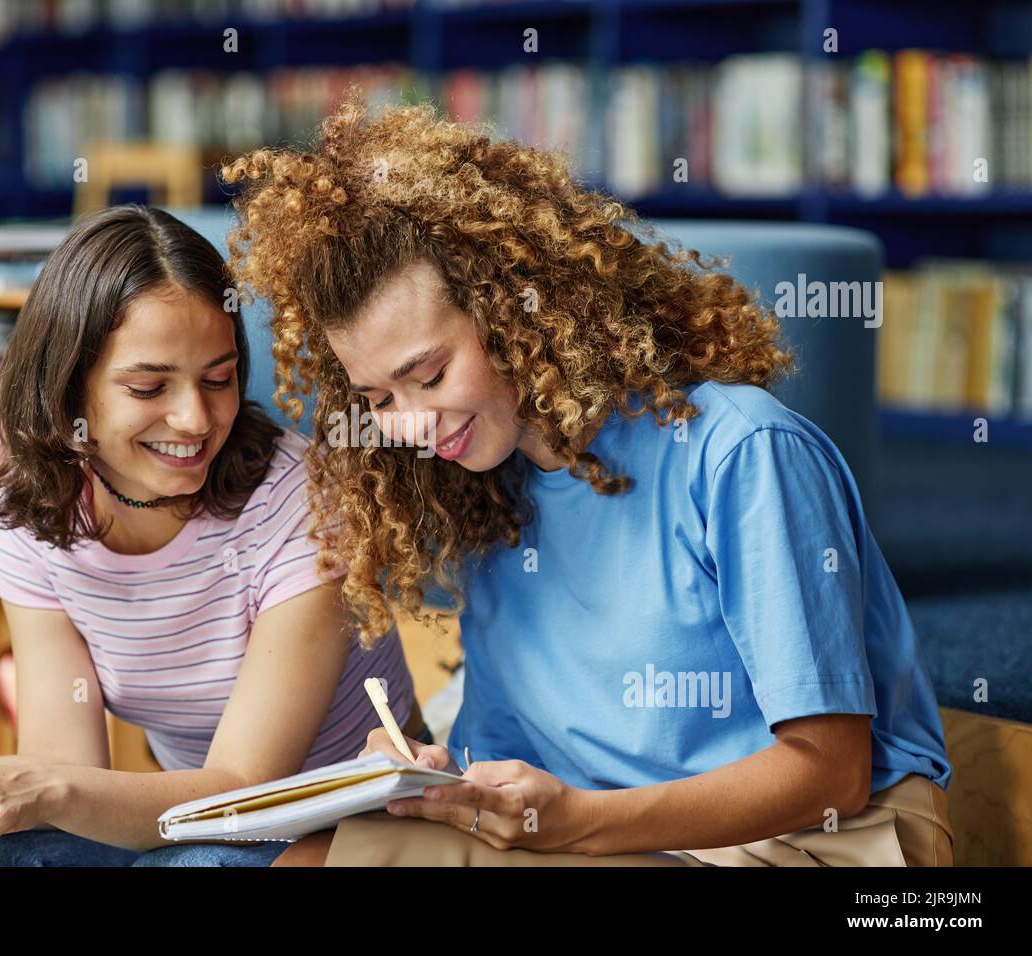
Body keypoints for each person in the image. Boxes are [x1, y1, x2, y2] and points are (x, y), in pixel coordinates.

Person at [219, 95, 954, 867]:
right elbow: (511, 767)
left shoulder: (742, 452)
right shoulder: (485, 497)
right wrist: (441, 780)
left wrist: (576, 822)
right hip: (608, 831)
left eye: (429, 375)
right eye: (377, 400)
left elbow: (830, 774)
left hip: (811, 836)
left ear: (513, 310)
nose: (412, 424)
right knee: (315, 857)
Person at [0, 204, 423, 867]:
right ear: (71, 386)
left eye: (219, 379)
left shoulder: (304, 502)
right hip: (187, 818)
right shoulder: (29, 514)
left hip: (337, 821)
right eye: (149, 386)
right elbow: (64, 769)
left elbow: (241, 790)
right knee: (7, 853)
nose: (195, 418)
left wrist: (40, 790)